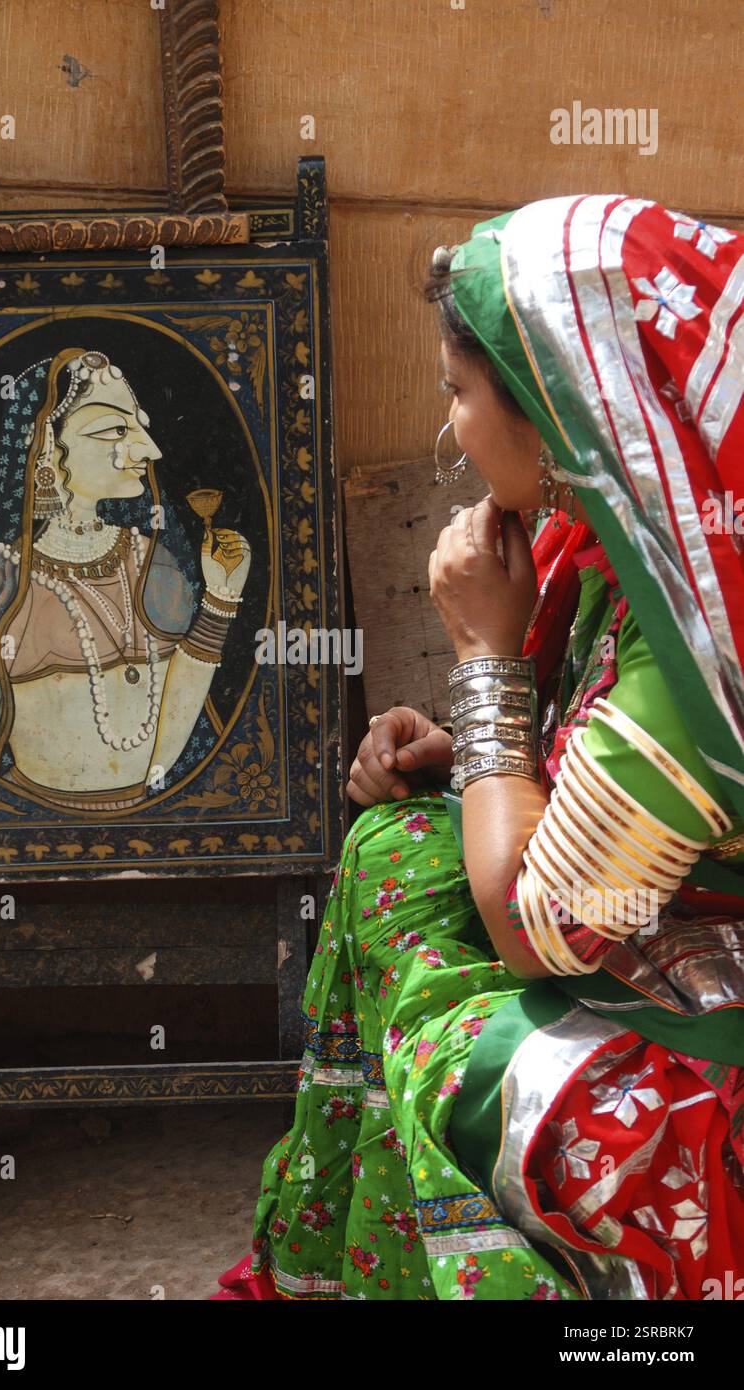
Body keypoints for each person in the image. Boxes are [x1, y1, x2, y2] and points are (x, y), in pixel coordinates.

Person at [213, 194, 744, 1301]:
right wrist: (471, 750)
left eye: (460, 392)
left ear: (560, 416)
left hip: (705, 1057)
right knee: (393, 851)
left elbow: (533, 930)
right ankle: (343, 1271)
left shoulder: (690, 637)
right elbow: (613, 786)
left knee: (460, 1044)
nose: (450, 426)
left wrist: (486, 658)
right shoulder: (632, 550)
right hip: (672, 925)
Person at [0, 347, 250, 811]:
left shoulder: (148, 560)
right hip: (29, 834)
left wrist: (222, 595)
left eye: (140, 426)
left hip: (152, 825)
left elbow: (165, 749)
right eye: (117, 429)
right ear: (48, 448)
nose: (150, 450)